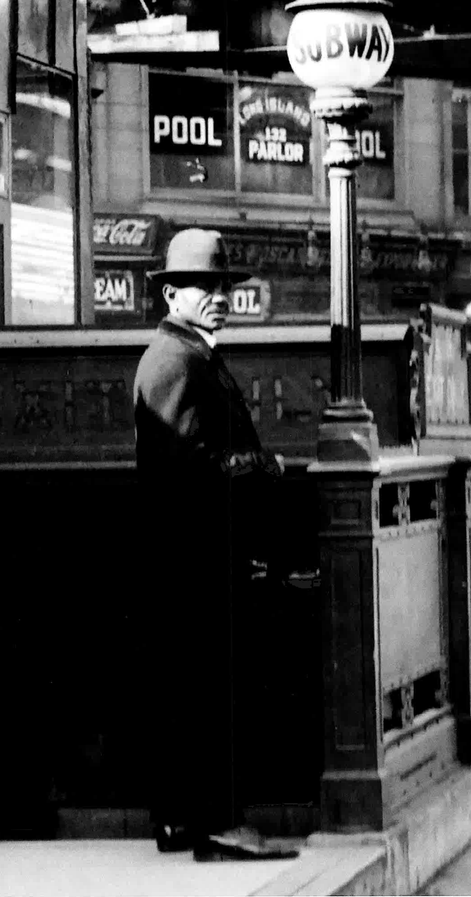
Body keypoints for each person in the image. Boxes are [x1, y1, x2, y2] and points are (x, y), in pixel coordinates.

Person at [134, 228, 296, 862]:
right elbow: (193, 469)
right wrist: (264, 467)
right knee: (210, 693)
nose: (219, 297)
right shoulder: (176, 362)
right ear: (171, 293)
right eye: (204, 287)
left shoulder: (186, 355)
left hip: (195, 560)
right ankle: (219, 824)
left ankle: (181, 820)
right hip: (197, 563)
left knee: (193, 691)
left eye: (223, 287)